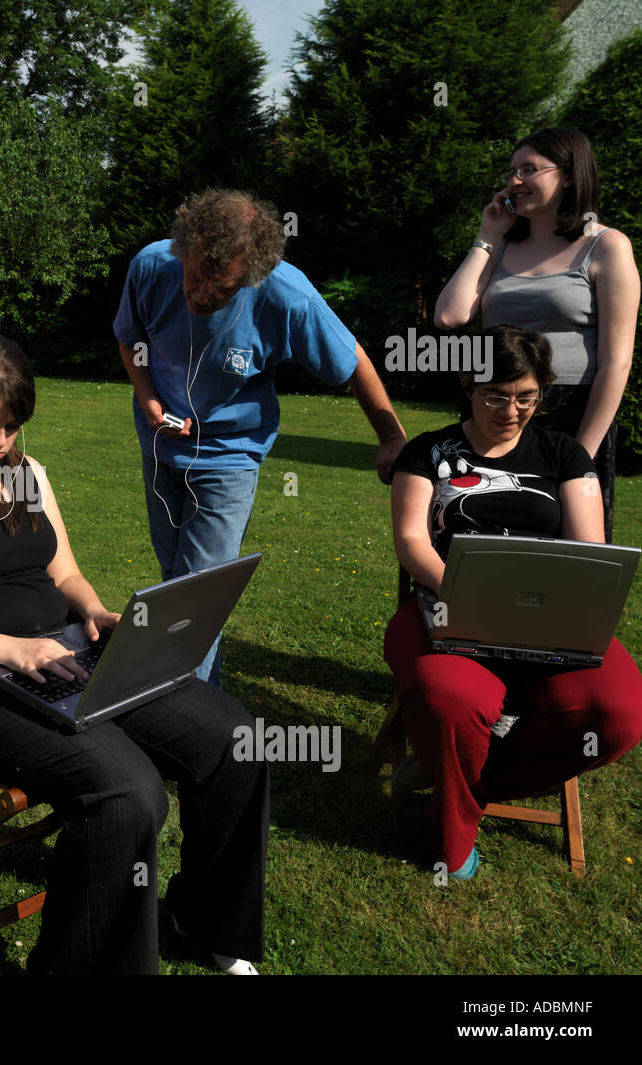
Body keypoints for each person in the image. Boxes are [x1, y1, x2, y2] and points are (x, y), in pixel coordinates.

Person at [0, 334, 268, 974]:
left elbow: (65, 574)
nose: (0, 442)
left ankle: (204, 921)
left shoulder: (27, 476)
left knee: (233, 737)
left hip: (61, 656)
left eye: (12, 426)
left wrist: (96, 612)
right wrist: (14, 649)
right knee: (127, 789)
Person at [115, 187, 407, 686]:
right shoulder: (151, 265)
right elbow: (131, 336)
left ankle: (192, 721)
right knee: (177, 585)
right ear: (182, 251)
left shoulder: (286, 294)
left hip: (230, 454)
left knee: (196, 592)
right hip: (160, 444)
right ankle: (192, 705)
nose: (203, 294)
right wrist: (147, 396)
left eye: (222, 287)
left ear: (251, 276)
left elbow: (350, 357)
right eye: (195, 276)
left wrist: (391, 437)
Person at [384, 325, 642, 879]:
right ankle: (451, 836)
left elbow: (588, 548)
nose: (512, 410)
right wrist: (463, 593)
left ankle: (451, 783)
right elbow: (412, 541)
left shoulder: (564, 454)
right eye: (496, 396)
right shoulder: (427, 452)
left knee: (618, 713)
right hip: (450, 605)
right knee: (450, 696)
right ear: (467, 385)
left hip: (549, 615)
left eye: (527, 397)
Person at [435, 128, 639, 541]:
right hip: (492, 408)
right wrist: (487, 236)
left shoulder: (607, 246)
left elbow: (616, 362)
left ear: (567, 175)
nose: (515, 180)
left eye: (529, 169)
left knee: (571, 548)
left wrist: (581, 455)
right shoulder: (502, 247)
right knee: (487, 530)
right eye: (512, 171)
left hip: (571, 411)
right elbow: (450, 316)